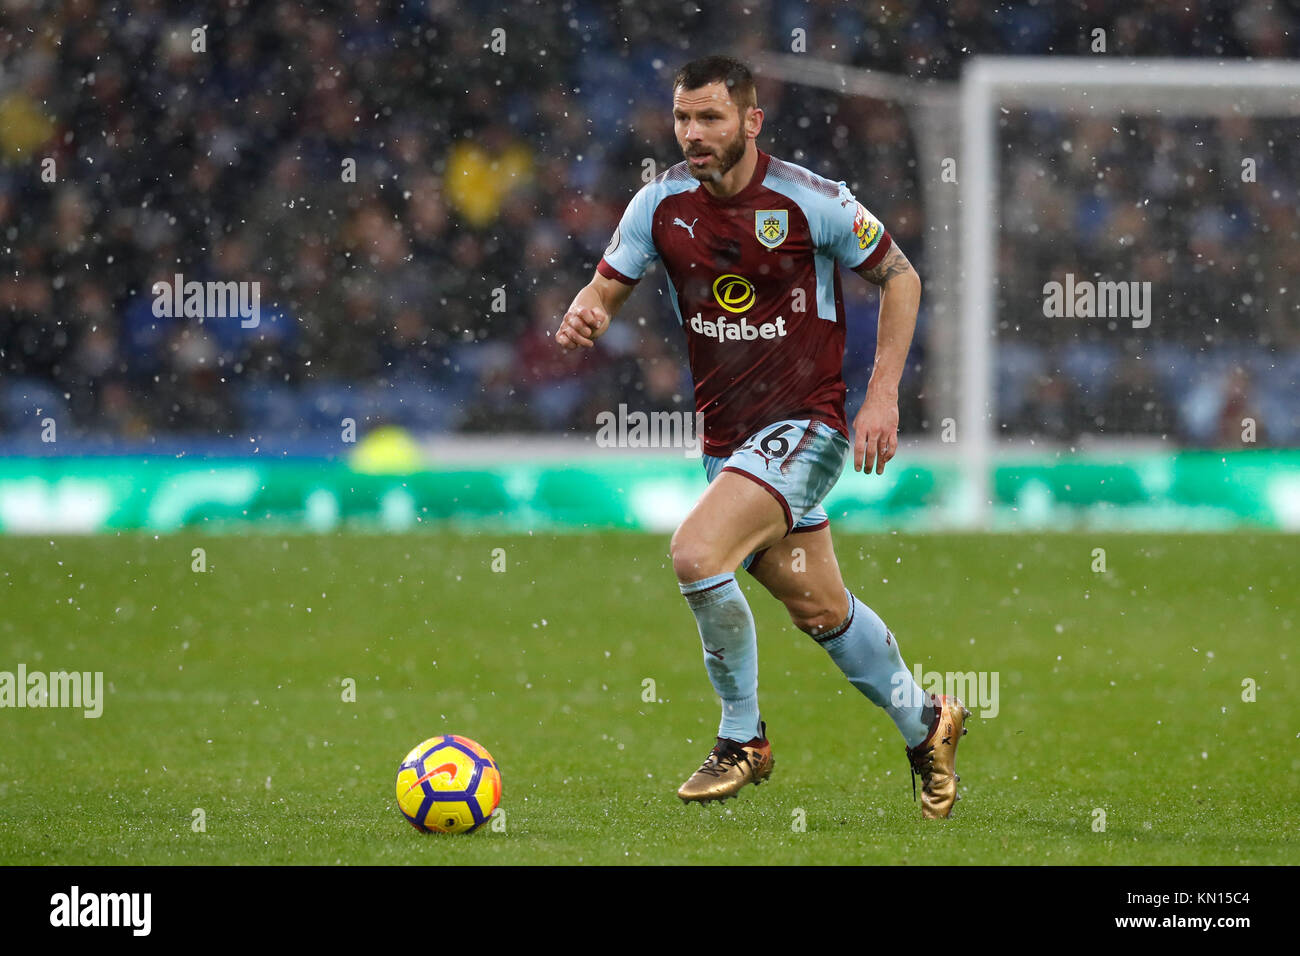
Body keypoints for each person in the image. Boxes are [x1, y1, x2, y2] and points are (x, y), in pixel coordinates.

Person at [555, 55, 968, 819]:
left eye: (709, 118)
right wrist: (587, 311)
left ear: (751, 121)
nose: (692, 134)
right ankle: (927, 721)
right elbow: (605, 285)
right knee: (820, 610)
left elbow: (901, 276)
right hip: (729, 442)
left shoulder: (813, 202)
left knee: (694, 553)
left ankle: (742, 738)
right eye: (682, 118)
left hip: (808, 427)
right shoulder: (660, 204)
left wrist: (880, 398)